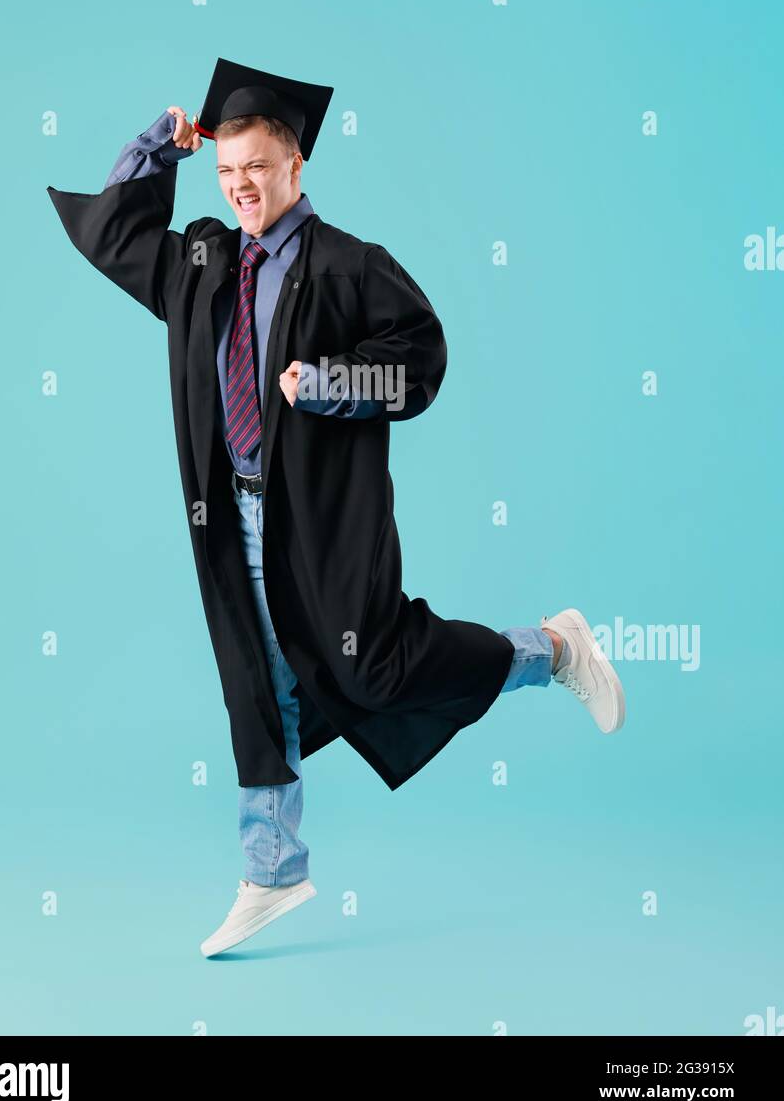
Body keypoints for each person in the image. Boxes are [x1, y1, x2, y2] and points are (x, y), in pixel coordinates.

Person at [47, 58, 626, 960]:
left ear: (297, 166)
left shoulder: (351, 265)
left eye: (259, 171)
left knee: (375, 668)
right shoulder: (200, 259)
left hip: (319, 517)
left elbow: (422, 360)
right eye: (227, 173)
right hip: (226, 510)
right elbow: (111, 235)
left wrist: (328, 383)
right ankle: (271, 868)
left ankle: (550, 649)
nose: (241, 189)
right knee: (257, 678)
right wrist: (160, 145)